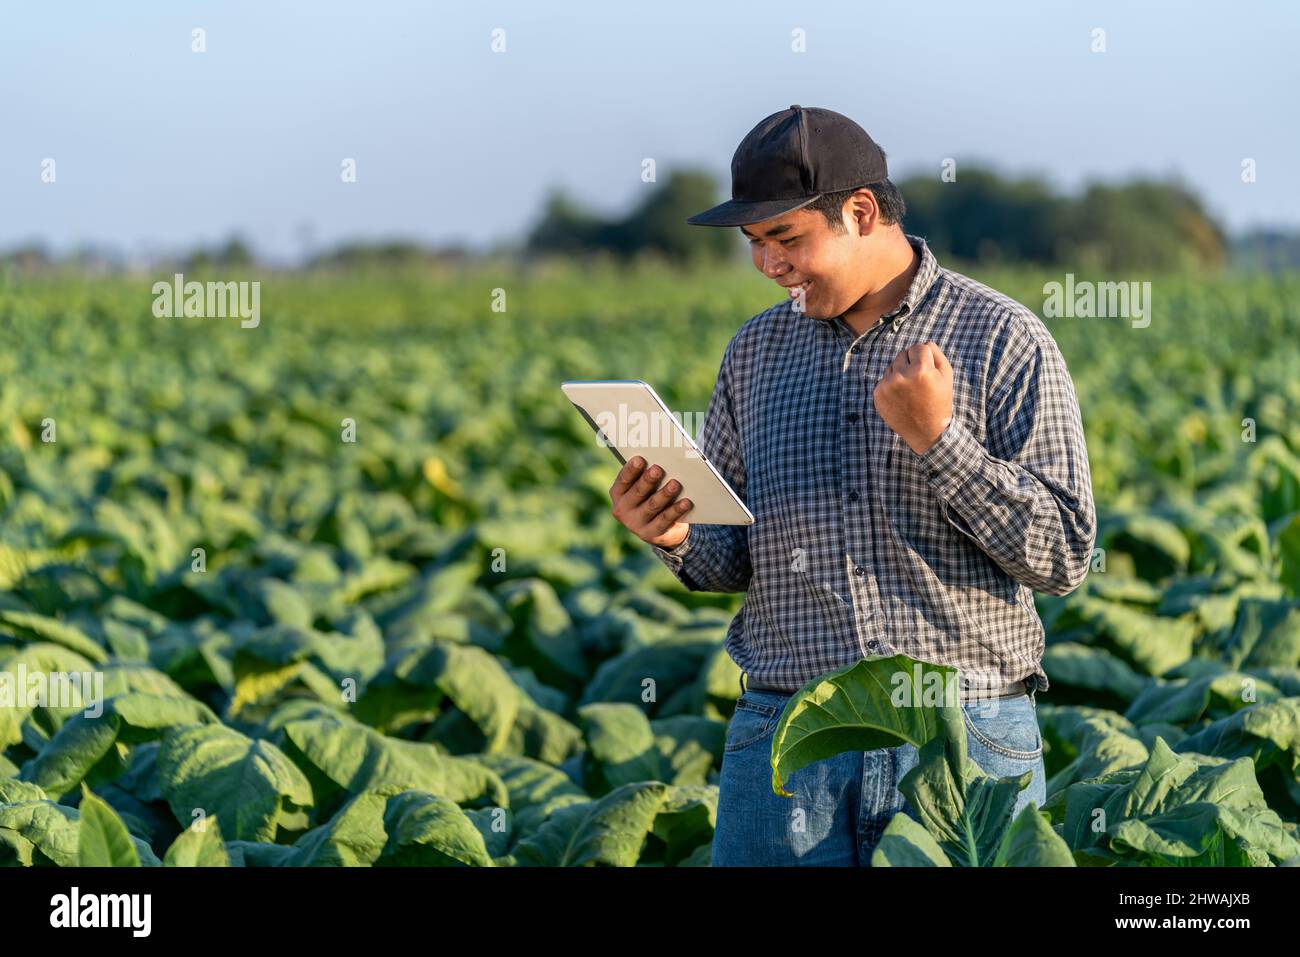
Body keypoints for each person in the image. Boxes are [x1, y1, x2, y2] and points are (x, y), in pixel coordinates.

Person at [608, 105, 1096, 866]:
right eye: (755, 244)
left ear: (861, 212)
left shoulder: (1002, 337)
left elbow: (1064, 553)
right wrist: (672, 532)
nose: (769, 265)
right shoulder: (756, 353)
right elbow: (731, 558)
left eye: (786, 238)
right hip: (788, 741)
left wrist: (940, 441)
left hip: (960, 738)